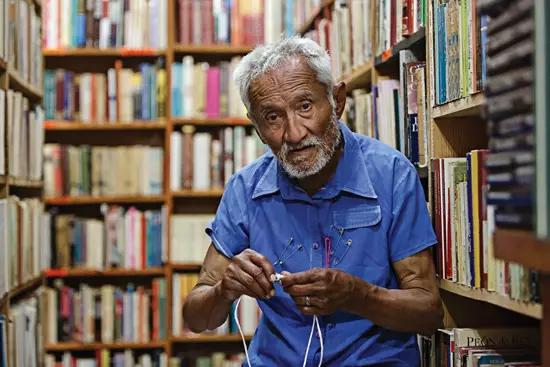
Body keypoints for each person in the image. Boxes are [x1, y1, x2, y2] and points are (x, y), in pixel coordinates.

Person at [182, 36, 444, 366]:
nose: (293, 133)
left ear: (338, 100)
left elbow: (428, 313)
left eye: (305, 106)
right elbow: (195, 318)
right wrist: (224, 289)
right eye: (272, 117)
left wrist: (357, 295)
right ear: (257, 127)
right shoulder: (244, 189)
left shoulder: (392, 175)